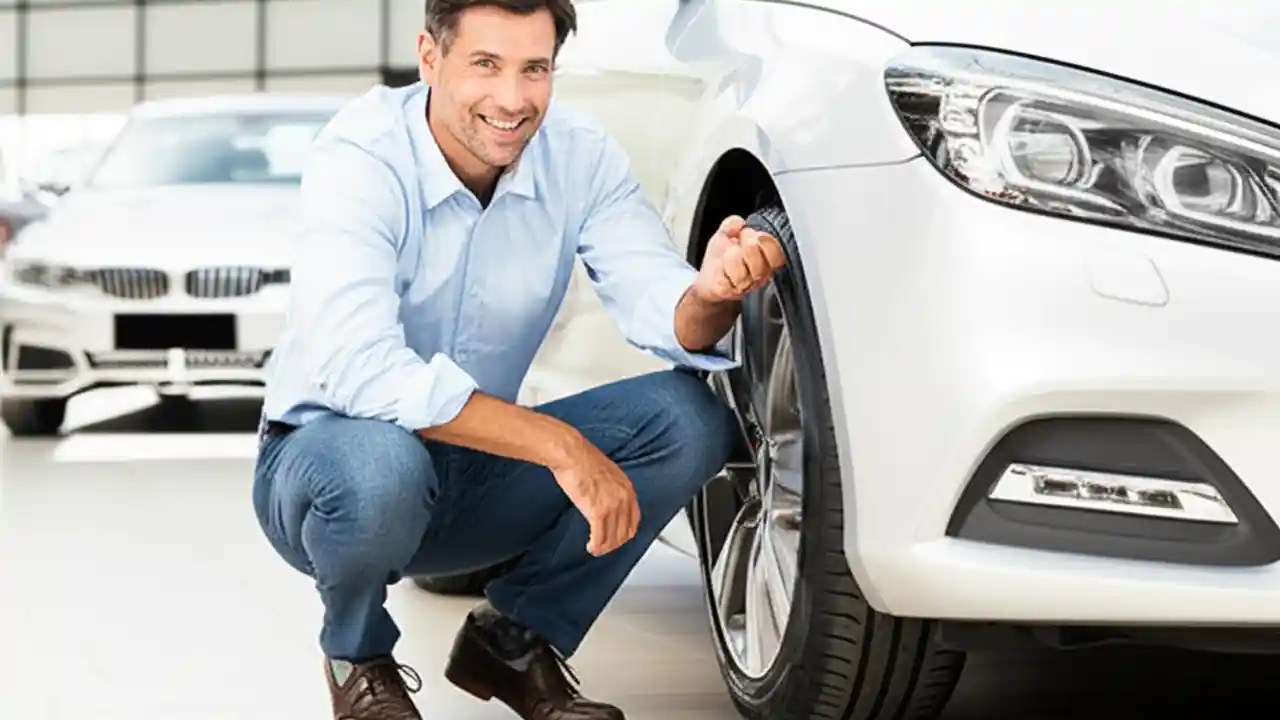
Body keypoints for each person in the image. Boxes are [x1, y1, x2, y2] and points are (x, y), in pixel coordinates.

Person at [251, 0, 787, 718]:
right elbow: (360, 369)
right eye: (486, 65)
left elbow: (660, 302)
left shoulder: (579, 154)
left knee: (688, 419)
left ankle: (514, 640)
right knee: (384, 464)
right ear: (430, 57)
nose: (512, 100)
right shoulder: (361, 154)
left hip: (470, 470)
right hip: (326, 470)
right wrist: (560, 447)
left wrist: (714, 289)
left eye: (534, 69)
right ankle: (359, 659)